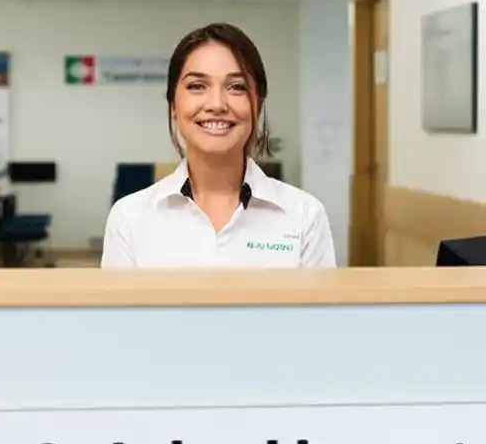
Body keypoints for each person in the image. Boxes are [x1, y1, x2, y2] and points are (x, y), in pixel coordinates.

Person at [100, 23, 336, 268]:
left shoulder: (304, 216)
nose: (216, 104)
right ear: (173, 105)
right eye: (197, 86)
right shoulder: (130, 217)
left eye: (236, 87)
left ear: (258, 104)